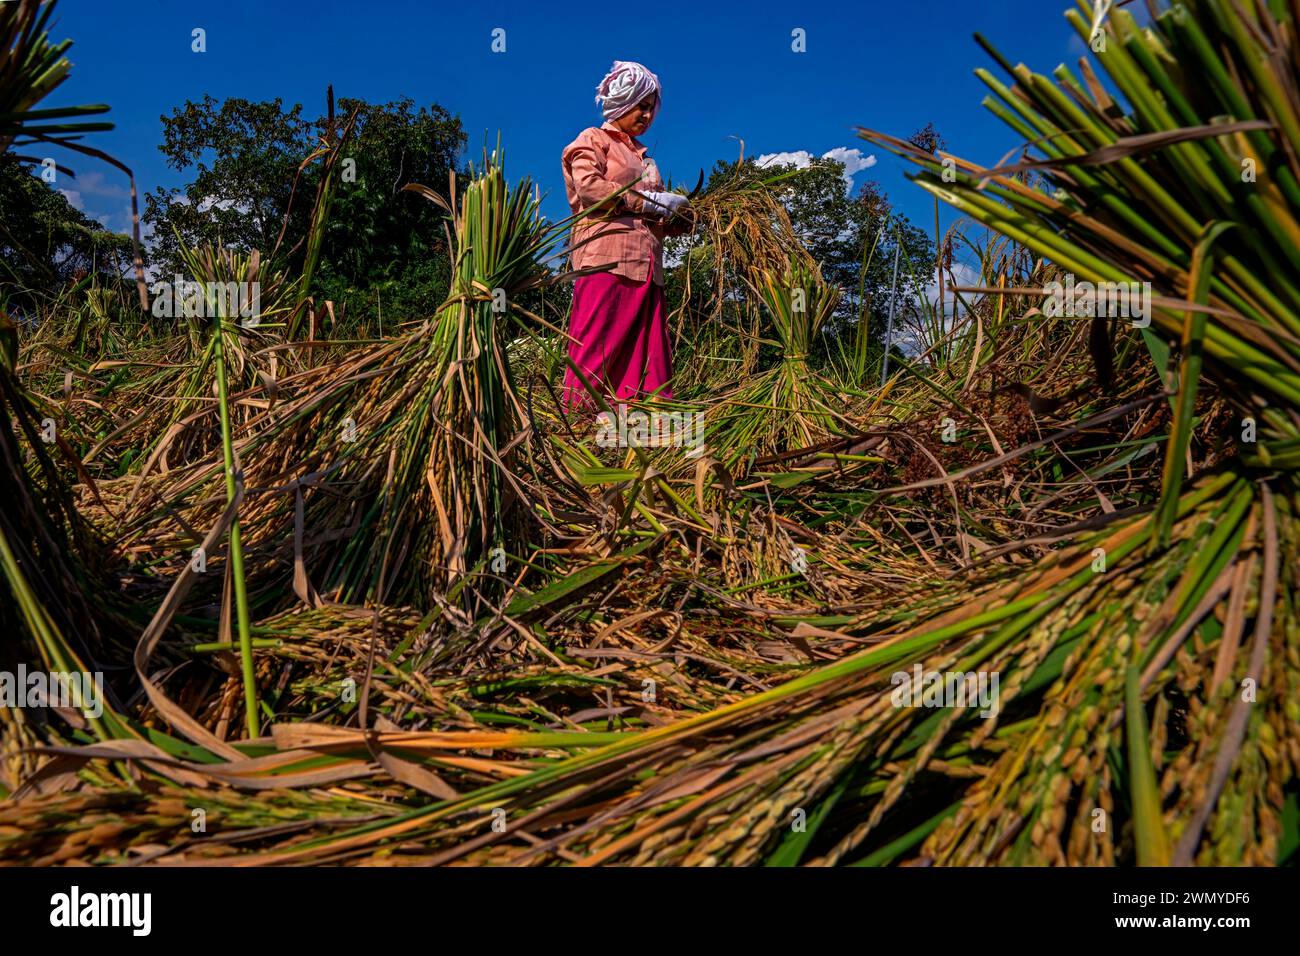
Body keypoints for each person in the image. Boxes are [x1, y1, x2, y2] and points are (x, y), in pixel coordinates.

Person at [559, 60, 694, 415]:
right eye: (642, 106)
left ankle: (638, 426)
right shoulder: (593, 139)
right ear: (623, 101)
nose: (648, 116)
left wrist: (680, 218)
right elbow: (591, 189)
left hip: (648, 267)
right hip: (607, 260)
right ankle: (577, 422)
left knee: (645, 351)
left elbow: (654, 219)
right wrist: (651, 202)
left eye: (652, 109)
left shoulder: (646, 159)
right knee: (597, 342)